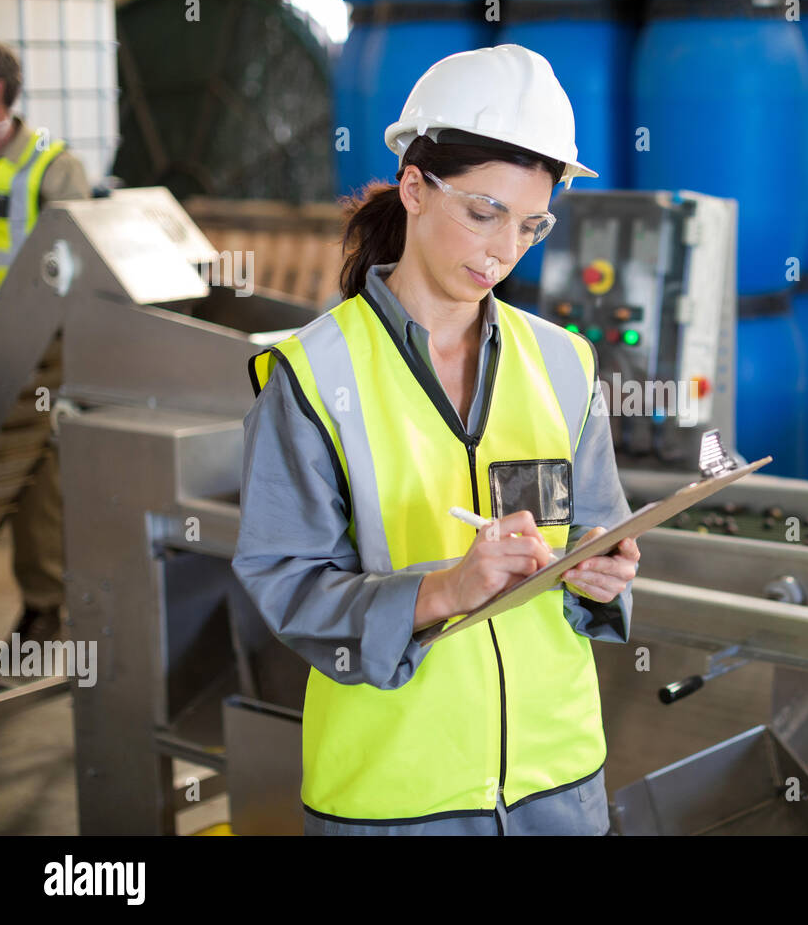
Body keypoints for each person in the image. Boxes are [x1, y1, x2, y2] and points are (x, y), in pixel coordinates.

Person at [230, 44, 641, 836]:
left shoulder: (563, 361)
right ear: (414, 188)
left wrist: (605, 574)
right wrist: (444, 590)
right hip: (397, 795)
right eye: (483, 213)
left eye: (531, 224)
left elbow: (597, 531)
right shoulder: (313, 375)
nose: (503, 250)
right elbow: (286, 585)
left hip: (554, 785)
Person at [0, 40, 90, 643]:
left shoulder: (53, 167)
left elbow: (80, 267)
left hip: (35, 350)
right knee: (33, 474)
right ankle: (45, 609)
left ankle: (45, 608)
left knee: (34, 471)